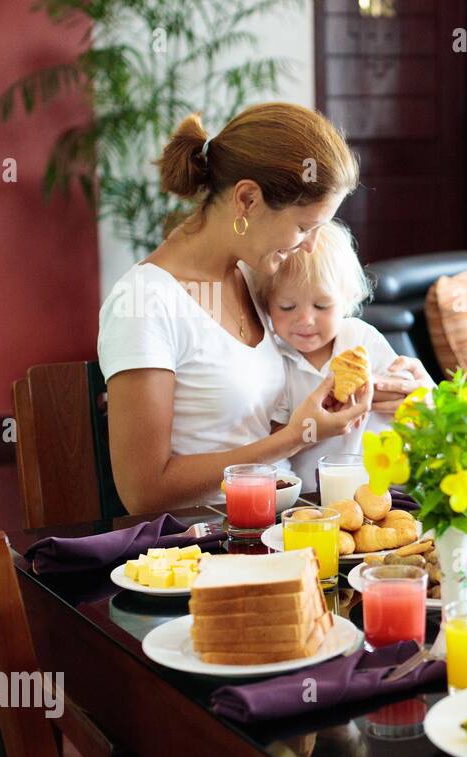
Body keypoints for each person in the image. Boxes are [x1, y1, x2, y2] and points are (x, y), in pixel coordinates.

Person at [97, 103, 431, 512]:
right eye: (304, 227)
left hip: (283, 523)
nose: (309, 246)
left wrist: (398, 386)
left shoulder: (255, 280)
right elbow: (143, 492)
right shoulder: (144, 303)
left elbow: (305, 376)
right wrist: (297, 435)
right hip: (202, 545)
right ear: (248, 199)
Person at [258, 220, 398, 494]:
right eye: (287, 307)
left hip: (382, 487)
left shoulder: (361, 339)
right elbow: (276, 438)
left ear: (347, 300)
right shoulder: (275, 359)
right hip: (312, 495)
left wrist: (366, 389)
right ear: (267, 305)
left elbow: (404, 394)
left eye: (321, 305)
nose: (305, 320)